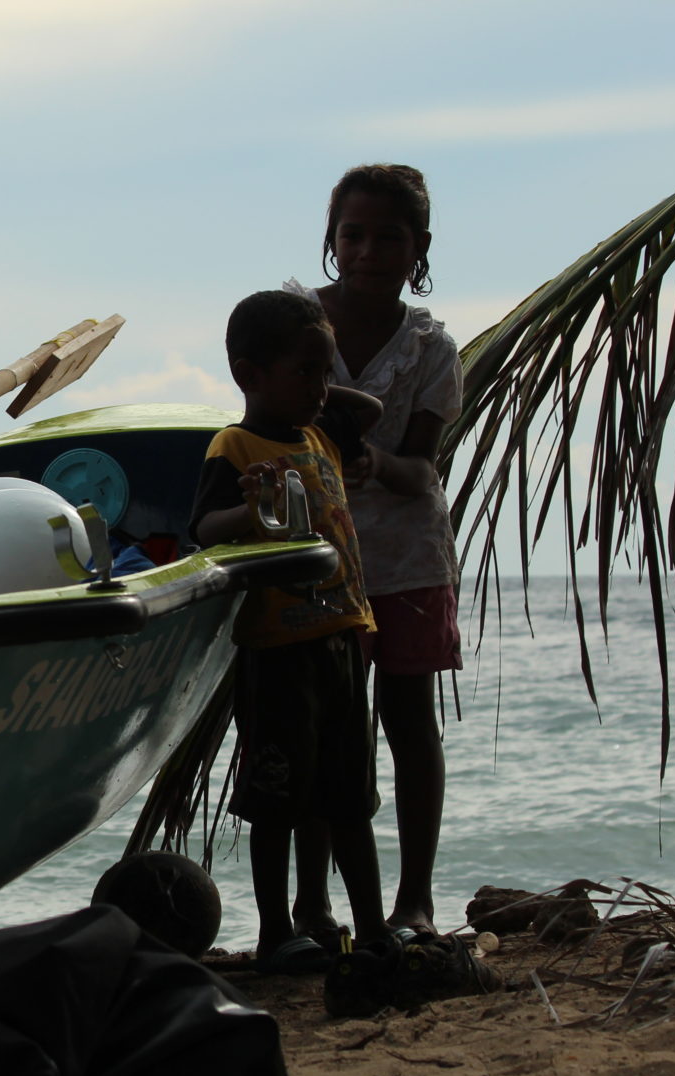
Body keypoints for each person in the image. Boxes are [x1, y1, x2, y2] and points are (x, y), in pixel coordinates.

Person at [286, 164, 464, 937]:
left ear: (418, 247)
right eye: (352, 235)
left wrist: (374, 466)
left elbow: (424, 469)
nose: (367, 251)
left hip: (404, 557)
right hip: (315, 556)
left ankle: (414, 900)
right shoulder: (292, 323)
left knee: (408, 722)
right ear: (331, 240)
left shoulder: (430, 347)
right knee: (325, 730)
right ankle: (315, 904)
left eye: (388, 237)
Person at [190, 290, 387, 971]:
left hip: (338, 639)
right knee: (277, 797)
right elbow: (203, 531)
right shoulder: (236, 446)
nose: (320, 386)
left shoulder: (321, 434)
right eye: (305, 370)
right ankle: (278, 930)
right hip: (277, 651)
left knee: (349, 797)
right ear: (250, 375)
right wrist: (246, 511)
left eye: (324, 371)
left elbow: (370, 411)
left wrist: (318, 383)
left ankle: (374, 928)